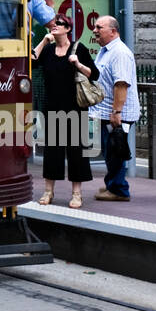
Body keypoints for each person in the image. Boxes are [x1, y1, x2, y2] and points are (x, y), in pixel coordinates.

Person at [33, 14, 100, 208]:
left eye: (60, 24)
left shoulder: (79, 49)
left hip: (75, 108)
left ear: (68, 29)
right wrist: (44, 40)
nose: (55, 26)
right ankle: (48, 191)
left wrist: (78, 64)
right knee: (52, 151)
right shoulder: (48, 50)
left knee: (76, 152)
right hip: (52, 106)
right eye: (54, 23)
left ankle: (76, 194)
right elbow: (31, 60)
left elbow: (94, 74)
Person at [90, 15, 140, 202]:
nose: (95, 30)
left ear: (113, 31)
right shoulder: (105, 51)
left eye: (99, 27)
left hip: (118, 114)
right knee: (110, 150)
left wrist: (116, 112)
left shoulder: (119, 52)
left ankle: (119, 190)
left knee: (116, 150)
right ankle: (112, 183)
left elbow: (121, 84)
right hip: (107, 112)